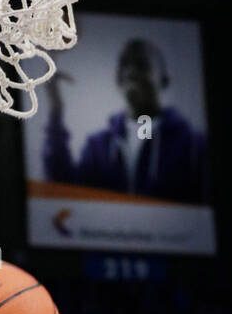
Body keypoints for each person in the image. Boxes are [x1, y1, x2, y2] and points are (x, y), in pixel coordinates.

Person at [43, 39, 207, 202]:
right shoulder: (98, 147)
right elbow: (66, 188)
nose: (130, 72)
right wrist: (56, 111)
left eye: (142, 65)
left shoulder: (194, 146)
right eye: (124, 65)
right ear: (117, 79)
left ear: (164, 80)